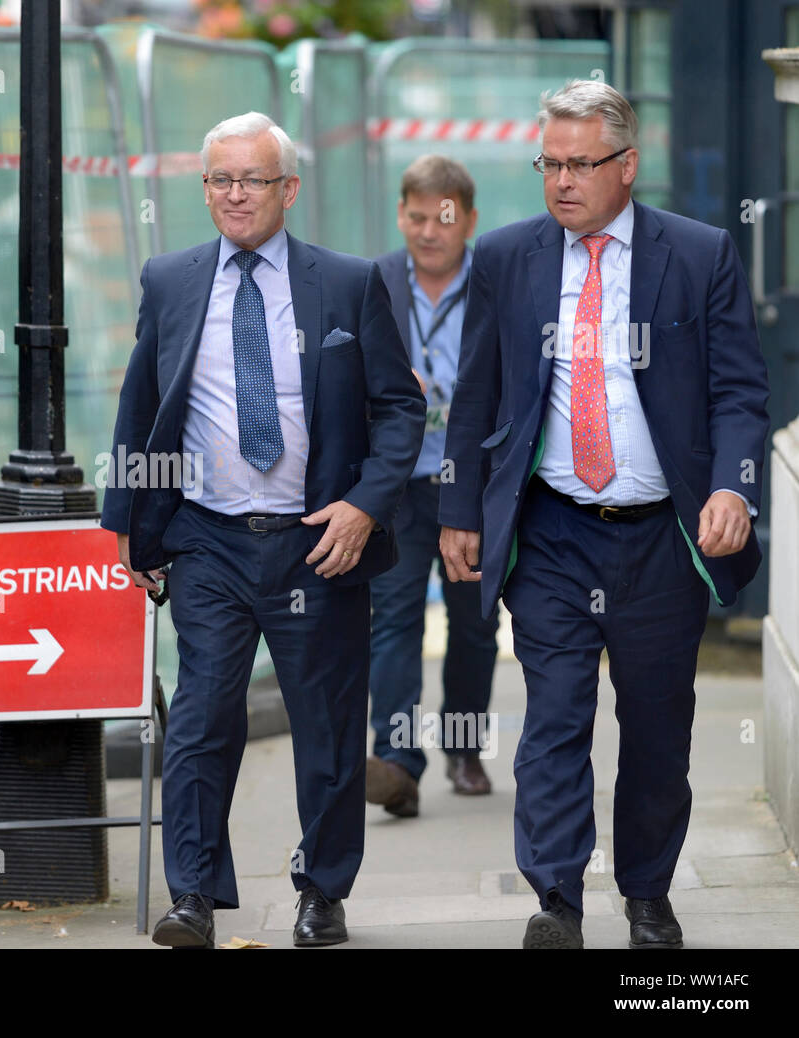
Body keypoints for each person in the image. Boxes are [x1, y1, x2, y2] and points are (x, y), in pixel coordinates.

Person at [437, 81, 769, 950]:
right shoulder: (505, 257)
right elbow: (474, 393)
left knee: (656, 729)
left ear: (627, 165)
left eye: (580, 164)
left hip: (661, 535)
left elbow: (740, 391)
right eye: (549, 163)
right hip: (553, 531)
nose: (561, 181)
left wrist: (732, 487)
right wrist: (459, 508)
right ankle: (557, 900)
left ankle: (648, 894)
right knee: (554, 717)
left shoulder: (698, 254)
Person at [101, 111, 425, 948]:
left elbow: (400, 409)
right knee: (203, 715)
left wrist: (364, 505)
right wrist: (130, 524)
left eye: (251, 179)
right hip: (207, 539)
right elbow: (142, 406)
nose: (235, 194)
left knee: (327, 726)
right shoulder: (170, 280)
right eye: (220, 178)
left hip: (316, 542)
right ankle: (193, 897)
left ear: (289, 189)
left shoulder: (348, 283)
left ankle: (323, 892)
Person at [366, 155, 500, 818]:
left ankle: (465, 749)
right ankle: (396, 762)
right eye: (416, 217)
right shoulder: (375, 282)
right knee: (394, 620)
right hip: (398, 485)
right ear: (400, 215)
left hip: (470, 485)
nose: (428, 231)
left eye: (443, 219)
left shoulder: (497, 283)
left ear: (469, 221)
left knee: (474, 624)